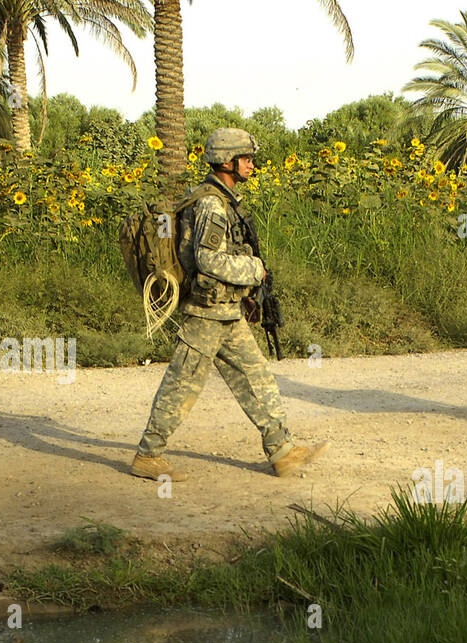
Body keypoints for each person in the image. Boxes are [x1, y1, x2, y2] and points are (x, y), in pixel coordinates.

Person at [131, 127, 327, 481]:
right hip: (206, 314)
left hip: (227, 313)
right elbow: (208, 260)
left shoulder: (222, 200)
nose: (252, 165)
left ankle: (281, 451)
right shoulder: (211, 204)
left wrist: (247, 295)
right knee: (181, 385)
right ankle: (148, 455)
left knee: (257, 378)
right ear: (227, 161)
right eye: (246, 159)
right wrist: (255, 270)